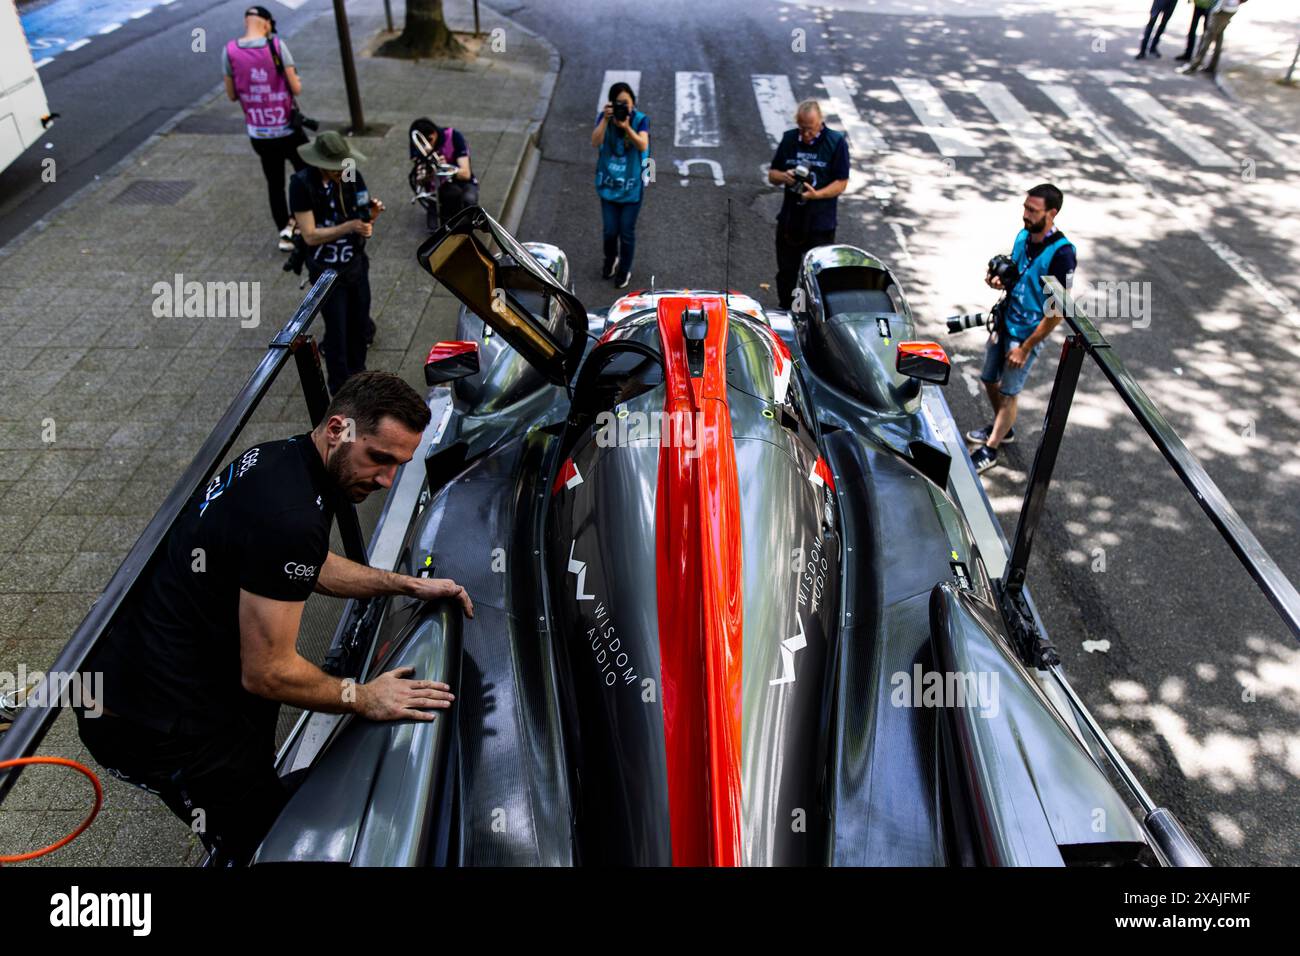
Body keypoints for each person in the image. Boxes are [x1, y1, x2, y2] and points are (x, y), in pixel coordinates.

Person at [77, 372, 474, 865]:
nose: (387, 480)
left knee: (256, 780)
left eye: (400, 466)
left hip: (178, 670)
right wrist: (365, 696)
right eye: (379, 458)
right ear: (338, 429)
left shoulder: (280, 458)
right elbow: (267, 672)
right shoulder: (289, 515)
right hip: (154, 724)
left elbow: (310, 565)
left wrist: (403, 583)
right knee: (253, 836)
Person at [967, 184, 1077, 475]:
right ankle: (1005, 427)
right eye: (1025, 208)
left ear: (1051, 213)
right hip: (1005, 320)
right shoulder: (1023, 236)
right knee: (989, 378)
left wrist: (1026, 347)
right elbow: (1016, 274)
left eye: (1033, 210)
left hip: (1026, 332)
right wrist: (997, 281)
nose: (1026, 215)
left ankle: (991, 448)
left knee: (1009, 392)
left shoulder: (1062, 254)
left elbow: (1057, 311)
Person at [289, 131, 383, 394]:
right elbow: (310, 235)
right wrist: (349, 226)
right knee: (337, 332)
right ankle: (341, 391)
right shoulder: (302, 184)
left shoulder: (351, 173)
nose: (340, 172)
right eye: (334, 168)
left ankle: (361, 381)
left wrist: (368, 219)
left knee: (360, 326)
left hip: (354, 264)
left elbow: (362, 214)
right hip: (326, 272)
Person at [223, 5, 306, 252]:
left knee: (274, 182)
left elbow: (231, 95)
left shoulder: (230, 51)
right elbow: (296, 88)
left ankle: (285, 232)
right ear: (267, 24)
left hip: (258, 132)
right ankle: (302, 223)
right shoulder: (276, 46)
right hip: (287, 128)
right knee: (305, 173)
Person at [768, 100, 850, 311]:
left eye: (810, 130)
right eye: (802, 129)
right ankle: (790, 311)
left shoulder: (836, 142)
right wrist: (783, 176)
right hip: (790, 221)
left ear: (820, 122)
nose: (805, 135)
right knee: (787, 272)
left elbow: (841, 182)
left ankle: (813, 315)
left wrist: (817, 195)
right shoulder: (789, 139)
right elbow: (772, 175)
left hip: (820, 223)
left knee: (819, 275)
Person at [592, 81, 650, 289]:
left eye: (626, 103)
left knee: (626, 232)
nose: (622, 107)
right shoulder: (605, 119)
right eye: (618, 103)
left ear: (633, 103)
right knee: (609, 231)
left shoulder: (640, 120)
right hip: (608, 185)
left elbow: (643, 144)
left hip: (631, 187)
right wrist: (605, 121)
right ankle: (610, 260)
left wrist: (626, 127)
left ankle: (624, 269)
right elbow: (595, 141)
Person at [410, 118, 479, 233]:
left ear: (434, 133)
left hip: (463, 183)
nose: (427, 147)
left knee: (469, 201)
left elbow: (465, 174)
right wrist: (429, 170)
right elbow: (419, 181)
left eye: (429, 140)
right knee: (434, 227)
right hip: (438, 188)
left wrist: (446, 166)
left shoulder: (454, 137)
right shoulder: (417, 146)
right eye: (422, 144)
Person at [1179, 0, 1249, 75]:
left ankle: (1194, 65)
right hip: (1229, 8)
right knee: (1218, 36)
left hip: (1222, 9)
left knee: (1208, 37)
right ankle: (1212, 65)